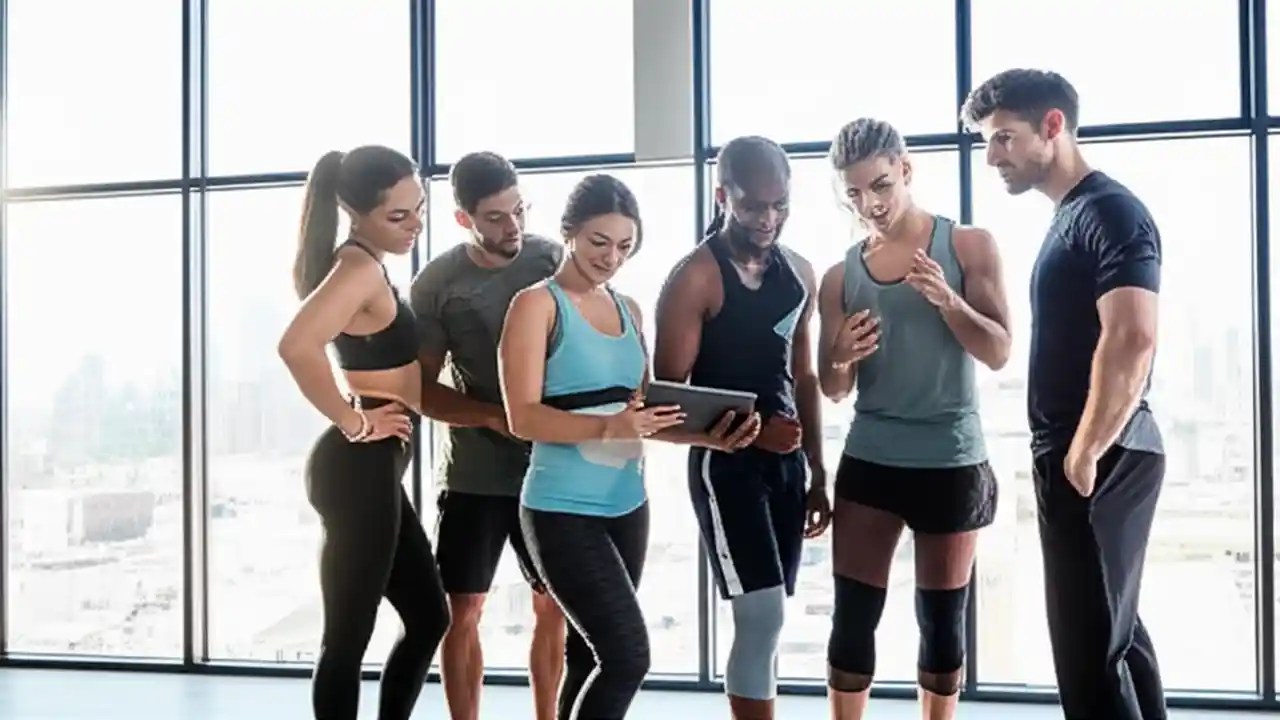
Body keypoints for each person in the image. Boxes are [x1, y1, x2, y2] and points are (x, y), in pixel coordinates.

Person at [499, 174, 761, 720]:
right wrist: (606, 429)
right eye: (599, 242)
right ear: (569, 232)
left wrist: (708, 436)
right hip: (559, 508)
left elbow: (642, 418)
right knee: (627, 657)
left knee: (587, 655)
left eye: (625, 246)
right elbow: (521, 418)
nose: (612, 257)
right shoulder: (535, 307)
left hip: (626, 507)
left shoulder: (629, 311)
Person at [961, 69, 1167, 720]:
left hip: (1098, 455)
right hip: (1091, 451)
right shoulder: (1074, 216)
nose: (992, 156)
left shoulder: (1108, 210)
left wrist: (1082, 453)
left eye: (1003, 138)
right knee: (1117, 641)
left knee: (1088, 657)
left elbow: (1133, 336)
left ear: (1053, 126)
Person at [816, 118, 1010, 720]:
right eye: (853, 194)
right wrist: (840, 357)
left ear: (906, 170)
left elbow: (999, 351)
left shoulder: (968, 246)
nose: (869, 205)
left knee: (942, 622)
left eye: (879, 186)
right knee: (852, 617)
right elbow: (833, 388)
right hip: (871, 459)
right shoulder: (839, 276)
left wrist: (948, 302)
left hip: (950, 462)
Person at [654, 135, 831, 720]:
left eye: (780, 205)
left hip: (788, 464)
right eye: (754, 205)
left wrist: (818, 473)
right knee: (762, 618)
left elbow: (803, 376)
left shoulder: (798, 273)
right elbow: (667, 405)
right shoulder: (695, 279)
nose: (768, 218)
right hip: (724, 466)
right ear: (723, 194)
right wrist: (755, 434)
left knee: (772, 616)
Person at [277, 145, 449, 720]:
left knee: (430, 617)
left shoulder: (364, 264)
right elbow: (296, 346)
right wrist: (354, 422)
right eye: (397, 216)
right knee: (347, 640)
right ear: (354, 211)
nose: (414, 225)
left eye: (419, 208)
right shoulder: (358, 268)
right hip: (357, 468)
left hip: (377, 468)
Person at [409, 151, 566, 720]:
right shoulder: (438, 284)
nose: (513, 227)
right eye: (496, 217)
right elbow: (421, 391)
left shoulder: (552, 260)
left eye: (519, 210)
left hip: (548, 467)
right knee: (463, 608)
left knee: (552, 606)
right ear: (463, 220)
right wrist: (496, 417)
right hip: (473, 472)